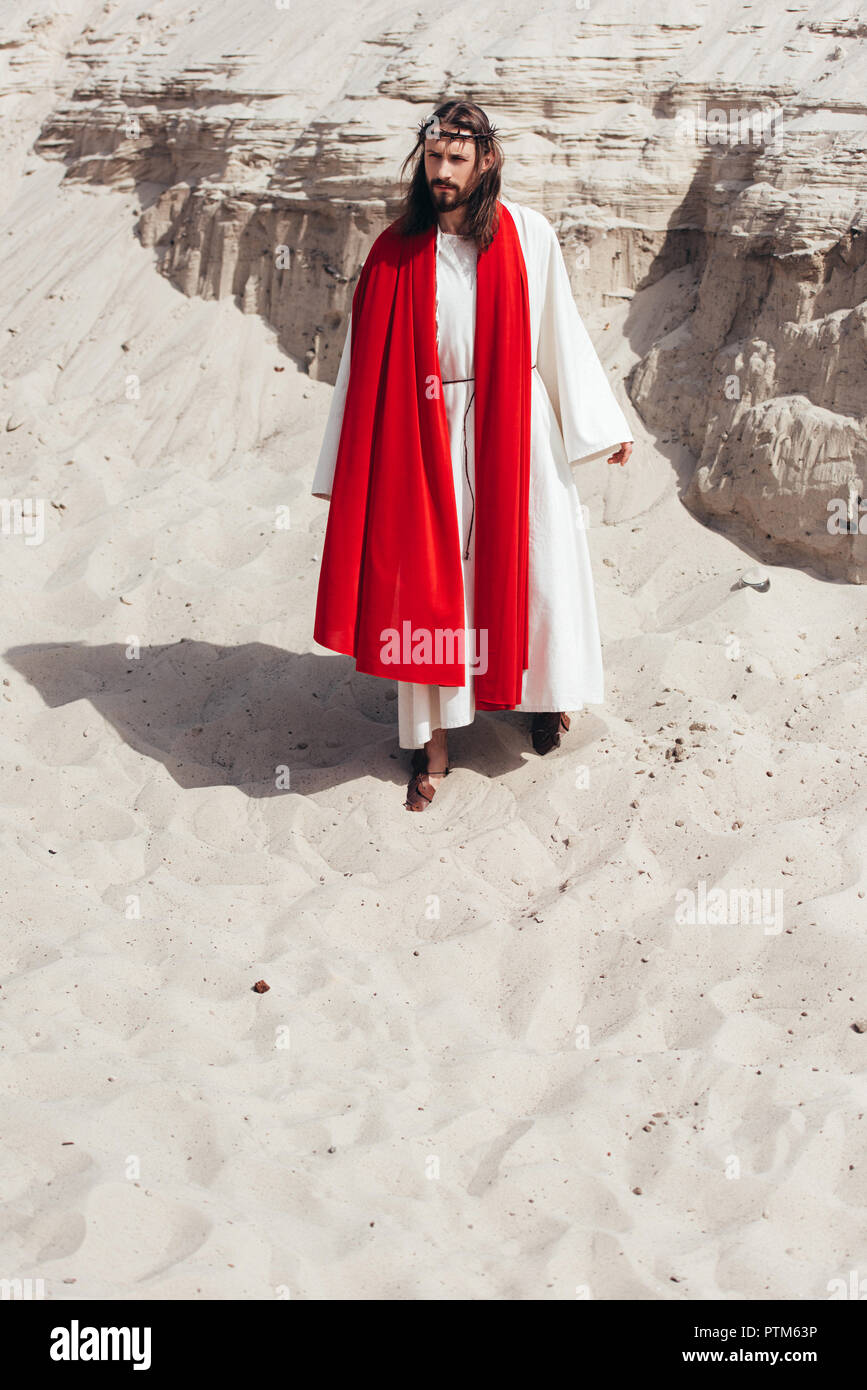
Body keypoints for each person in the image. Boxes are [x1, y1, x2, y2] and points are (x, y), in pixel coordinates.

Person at [311, 99, 633, 811]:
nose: (443, 173)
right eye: (433, 159)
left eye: (457, 160)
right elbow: (358, 364)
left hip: (515, 421)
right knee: (434, 587)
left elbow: (560, 331)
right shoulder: (395, 250)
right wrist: (345, 461)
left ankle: (544, 698)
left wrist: (599, 423)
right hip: (422, 426)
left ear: (486, 161)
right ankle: (432, 742)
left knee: (538, 566)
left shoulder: (527, 234)